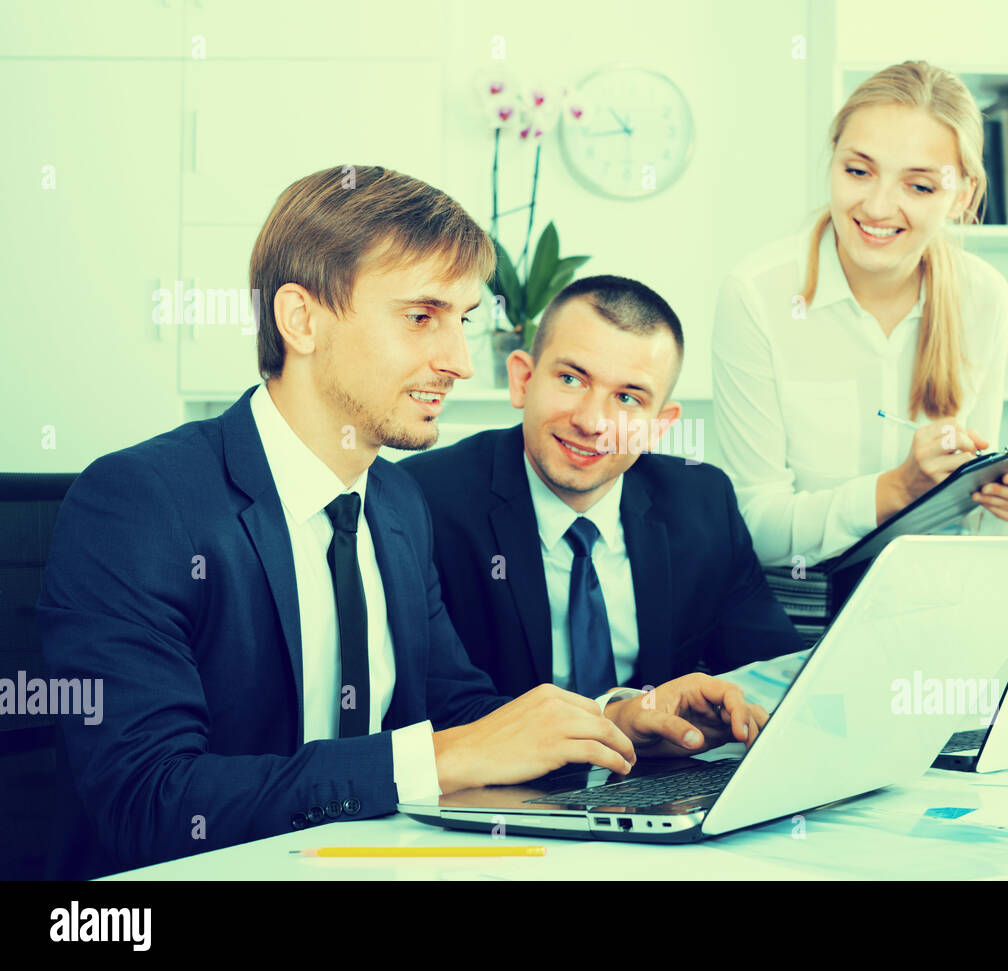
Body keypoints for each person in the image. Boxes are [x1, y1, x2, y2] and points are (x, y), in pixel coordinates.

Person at [36, 167, 759, 879]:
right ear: (301, 319)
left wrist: (616, 723)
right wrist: (442, 757)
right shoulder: (140, 501)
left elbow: (465, 710)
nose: (456, 362)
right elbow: (147, 800)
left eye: (462, 322)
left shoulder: (394, 502)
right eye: (421, 317)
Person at [401, 276, 803, 753]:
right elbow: (427, 710)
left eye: (628, 398)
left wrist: (733, 714)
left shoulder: (702, 500)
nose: (592, 422)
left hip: (655, 791)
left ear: (660, 425)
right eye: (571, 379)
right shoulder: (421, 501)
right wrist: (613, 718)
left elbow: (779, 672)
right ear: (522, 380)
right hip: (493, 799)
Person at [711, 60, 1008, 574]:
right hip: (795, 611)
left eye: (919, 186)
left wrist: (1006, 504)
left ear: (962, 197)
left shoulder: (984, 296)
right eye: (858, 171)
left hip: (931, 599)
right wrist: (894, 490)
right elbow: (754, 528)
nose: (877, 206)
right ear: (832, 163)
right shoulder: (757, 295)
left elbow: (969, 512)